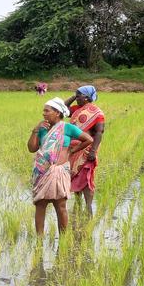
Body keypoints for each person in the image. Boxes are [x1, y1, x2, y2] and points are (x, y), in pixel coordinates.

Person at [28, 98, 94, 236]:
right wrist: (35, 131)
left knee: (61, 206)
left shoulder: (67, 128)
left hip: (60, 171)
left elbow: (88, 139)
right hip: (42, 172)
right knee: (40, 205)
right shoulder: (42, 129)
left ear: (57, 112)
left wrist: (71, 151)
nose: (44, 113)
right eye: (43, 110)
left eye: (47, 111)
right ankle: (39, 240)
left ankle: (63, 239)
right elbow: (32, 148)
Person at [62, 85, 107, 215]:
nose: (77, 97)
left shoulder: (97, 113)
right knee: (74, 176)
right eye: (76, 95)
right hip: (73, 149)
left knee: (86, 179)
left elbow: (99, 132)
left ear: (87, 97)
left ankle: (88, 206)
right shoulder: (77, 109)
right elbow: (63, 109)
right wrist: (74, 96)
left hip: (87, 149)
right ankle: (78, 201)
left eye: (79, 95)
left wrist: (93, 151)